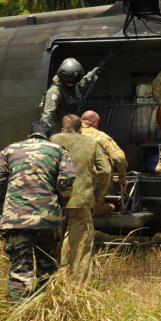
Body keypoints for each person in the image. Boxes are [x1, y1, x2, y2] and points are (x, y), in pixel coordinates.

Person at [0, 121, 75, 302]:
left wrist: (5, 202)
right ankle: (45, 308)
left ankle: (20, 312)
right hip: (47, 219)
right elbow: (67, 180)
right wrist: (59, 203)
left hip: (15, 218)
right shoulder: (59, 151)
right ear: (49, 137)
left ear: (29, 135)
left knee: (20, 268)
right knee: (48, 266)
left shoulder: (9, 150)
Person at [49, 114, 111, 284]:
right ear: (80, 129)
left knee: (53, 244)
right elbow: (105, 171)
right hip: (81, 200)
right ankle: (79, 288)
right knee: (81, 245)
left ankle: (53, 282)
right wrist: (97, 195)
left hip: (54, 201)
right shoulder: (91, 143)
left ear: (63, 128)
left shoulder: (52, 140)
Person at [81, 109, 128, 209]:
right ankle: (98, 204)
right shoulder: (100, 136)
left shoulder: (69, 135)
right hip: (93, 181)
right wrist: (122, 177)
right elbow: (119, 158)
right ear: (95, 123)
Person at [39, 57, 104, 129]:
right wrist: (43, 132)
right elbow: (48, 114)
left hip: (71, 125)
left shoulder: (73, 85)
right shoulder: (54, 92)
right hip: (59, 127)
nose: (73, 84)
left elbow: (85, 80)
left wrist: (94, 71)